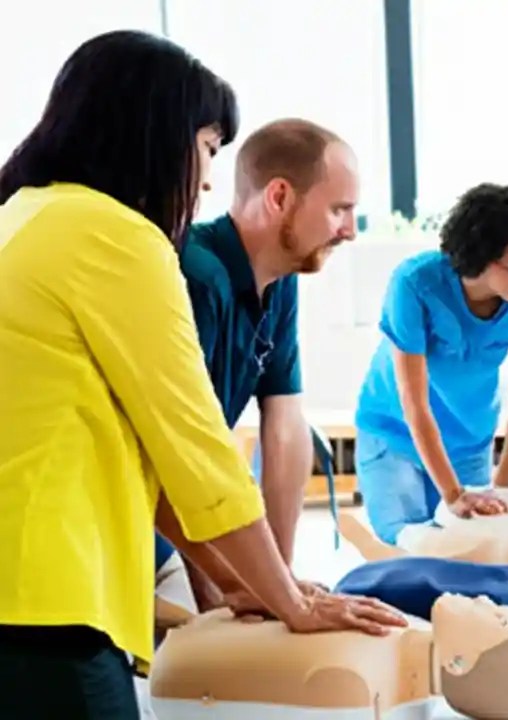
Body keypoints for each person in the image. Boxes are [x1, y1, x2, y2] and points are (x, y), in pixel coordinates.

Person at [0, 30, 403, 716]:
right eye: (208, 147)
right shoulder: (120, 238)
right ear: (154, 133)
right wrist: (290, 599)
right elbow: (195, 449)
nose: (209, 177)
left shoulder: (23, 214)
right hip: (47, 595)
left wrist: (240, 582)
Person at [153, 118, 360, 613]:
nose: (350, 231)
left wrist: (280, 581)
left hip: (185, 507)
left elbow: (286, 428)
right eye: (339, 210)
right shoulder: (196, 276)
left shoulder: (282, 277)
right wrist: (239, 586)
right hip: (138, 513)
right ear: (280, 197)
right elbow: (167, 454)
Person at [353, 182, 508, 545]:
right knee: (409, 543)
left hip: (469, 440)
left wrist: (503, 488)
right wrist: (452, 494)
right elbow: (413, 402)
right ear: (481, 255)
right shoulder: (414, 283)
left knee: (472, 547)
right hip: (395, 432)